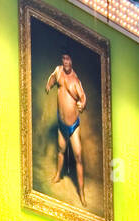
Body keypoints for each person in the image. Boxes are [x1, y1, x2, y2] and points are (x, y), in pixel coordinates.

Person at [45, 51, 88, 205]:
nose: (65, 62)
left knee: (78, 157)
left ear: (72, 61)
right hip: (61, 124)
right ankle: (58, 174)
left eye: (68, 59)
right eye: (63, 58)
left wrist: (82, 104)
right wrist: (49, 84)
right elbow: (52, 78)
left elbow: (83, 97)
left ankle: (81, 193)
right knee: (61, 151)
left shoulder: (75, 81)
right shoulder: (58, 71)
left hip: (73, 126)